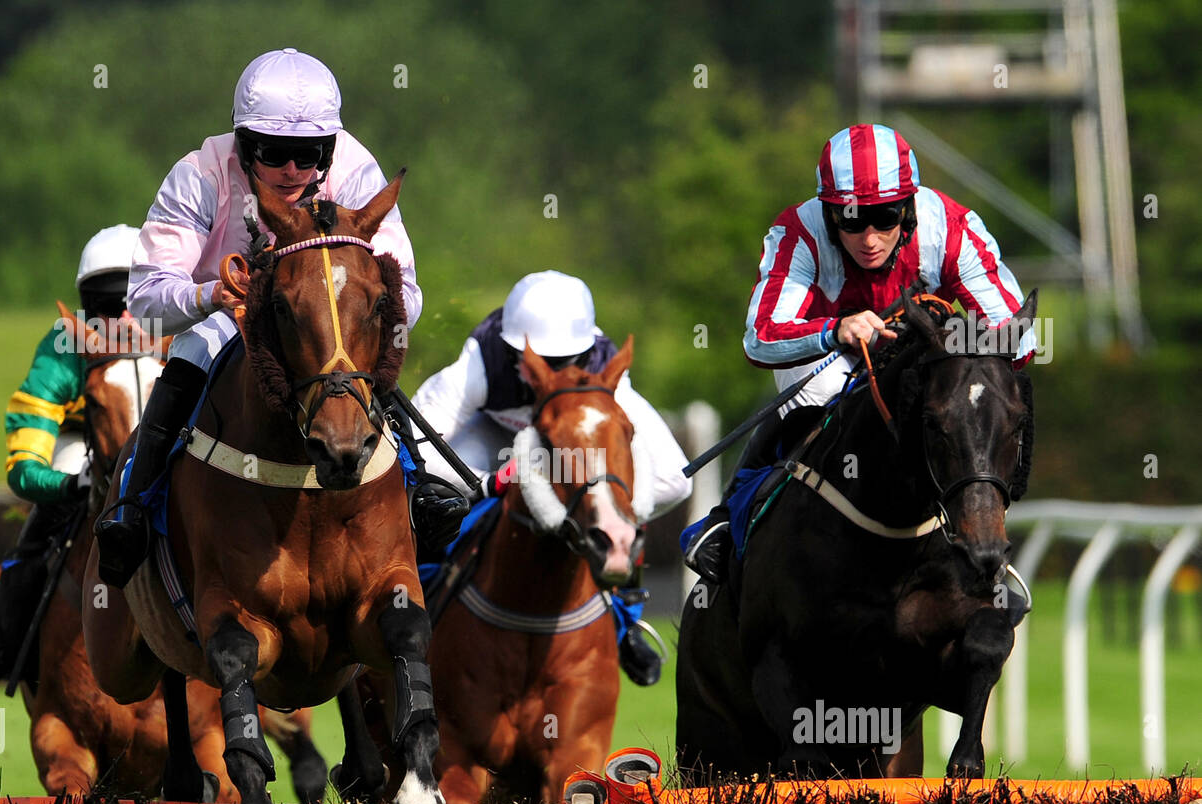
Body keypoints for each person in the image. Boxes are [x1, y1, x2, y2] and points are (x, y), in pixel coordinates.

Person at [94, 47, 460, 587]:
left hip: (322, 328)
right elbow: (146, 294)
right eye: (272, 152)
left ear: (329, 150)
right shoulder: (198, 174)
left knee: (356, 354)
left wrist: (360, 310)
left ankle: (420, 485)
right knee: (195, 348)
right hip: (227, 320)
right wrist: (210, 295)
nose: (291, 169)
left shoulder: (357, 169)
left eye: (308, 153)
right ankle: (132, 504)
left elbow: (407, 285)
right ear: (243, 145)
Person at [683, 123, 1036, 583]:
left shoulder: (950, 228)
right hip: (829, 356)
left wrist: (950, 346)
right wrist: (836, 330)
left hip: (919, 356)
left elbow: (1020, 340)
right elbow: (761, 337)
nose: (869, 237)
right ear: (830, 215)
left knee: (978, 395)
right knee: (826, 389)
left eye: (885, 217)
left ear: (908, 209)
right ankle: (728, 517)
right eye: (850, 220)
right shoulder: (799, 232)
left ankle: (982, 530)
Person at [409, 270, 693, 685]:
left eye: (561, 362)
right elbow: (414, 445)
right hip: (493, 443)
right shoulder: (480, 361)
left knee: (670, 481)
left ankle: (625, 619)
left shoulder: (603, 364)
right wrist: (486, 483)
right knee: (435, 490)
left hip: (567, 448)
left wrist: (603, 505)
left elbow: (672, 478)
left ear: (585, 352)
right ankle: (416, 600)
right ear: (510, 350)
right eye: (534, 360)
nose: (547, 370)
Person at [0, 225, 140, 680]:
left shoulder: (182, 331)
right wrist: (70, 485)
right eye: (105, 307)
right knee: (42, 521)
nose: (121, 319)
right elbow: (25, 465)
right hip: (83, 447)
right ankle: (1, 630)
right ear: (85, 311)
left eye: (135, 301)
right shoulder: (63, 350)